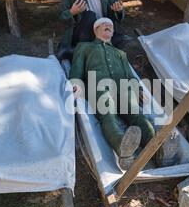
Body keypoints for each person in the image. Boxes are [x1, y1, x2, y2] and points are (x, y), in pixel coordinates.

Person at [70, 17, 179, 170]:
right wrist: (76, 84)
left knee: (137, 115)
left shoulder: (120, 53)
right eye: (104, 24)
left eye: (111, 26)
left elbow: (130, 75)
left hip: (124, 87)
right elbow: (76, 69)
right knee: (108, 114)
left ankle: (159, 151)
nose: (109, 26)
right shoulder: (84, 47)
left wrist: (139, 89)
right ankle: (123, 148)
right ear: (95, 29)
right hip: (98, 85)